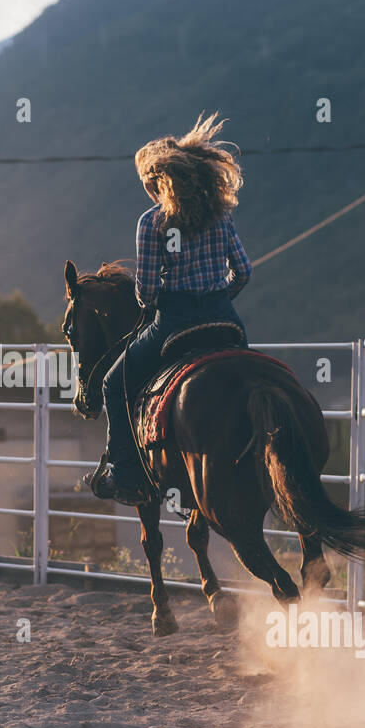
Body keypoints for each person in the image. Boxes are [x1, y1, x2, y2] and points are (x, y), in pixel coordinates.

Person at [86, 112, 252, 505]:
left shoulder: (152, 223)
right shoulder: (221, 214)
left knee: (114, 384)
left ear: (156, 183)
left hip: (175, 323)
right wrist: (218, 295)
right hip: (225, 319)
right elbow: (243, 271)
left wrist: (157, 298)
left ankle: (126, 475)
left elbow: (146, 291)